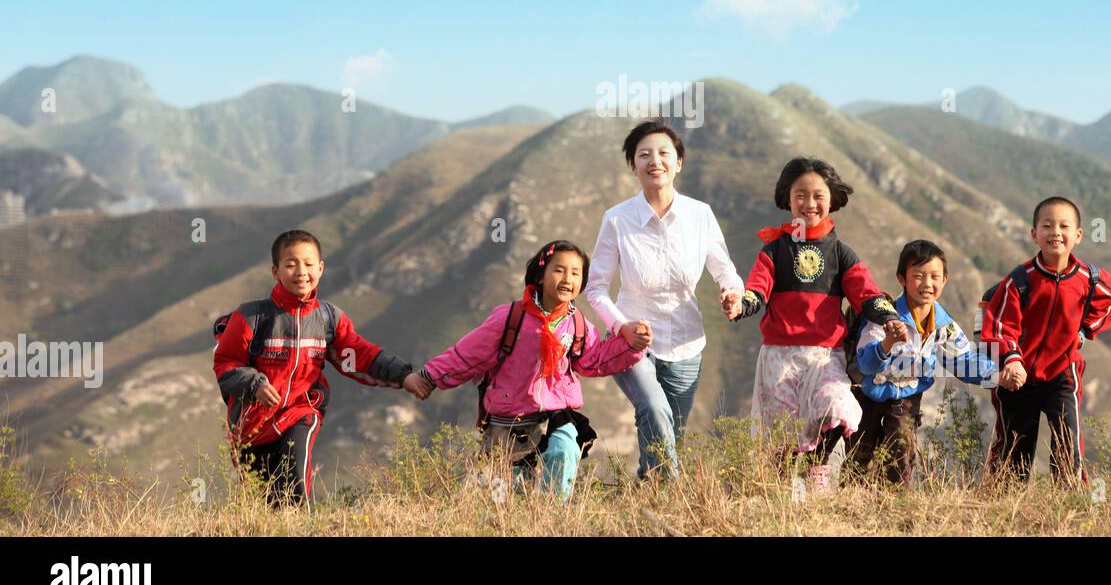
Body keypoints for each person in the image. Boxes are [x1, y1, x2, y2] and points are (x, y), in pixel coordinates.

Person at [213, 229, 428, 509]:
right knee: (262, 505)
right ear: (275, 272)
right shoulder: (251, 317)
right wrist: (254, 383)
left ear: (321, 268)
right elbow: (225, 363)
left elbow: (361, 355)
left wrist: (403, 375)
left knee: (295, 485)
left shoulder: (328, 319)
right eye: (290, 264)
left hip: (301, 413)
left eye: (309, 263)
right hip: (252, 425)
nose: (301, 272)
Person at [726, 156, 903, 492]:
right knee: (781, 436)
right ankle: (779, 503)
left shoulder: (842, 254)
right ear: (788, 199)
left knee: (839, 406)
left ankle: (816, 466)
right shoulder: (774, 249)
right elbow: (757, 291)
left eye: (818, 195)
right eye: (801, 195)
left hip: (825, 355)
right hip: (779, 357)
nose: (810, 203)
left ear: (832, 199)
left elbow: (867, 295)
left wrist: (889, 318)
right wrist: (740, 305)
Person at [420, 240, 646, 500]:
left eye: (575, 273)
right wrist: (428, 377)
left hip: (555, 417)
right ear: (540, 274)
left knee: (564, 450)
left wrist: (631, 345)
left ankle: (553, 516)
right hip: (508, 421)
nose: (567, 278)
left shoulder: (578, 326)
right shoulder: (510, 318)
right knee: (503, 496)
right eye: (559, 270)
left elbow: (593, 361)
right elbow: (466, 355)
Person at [586, 120, 745, 479]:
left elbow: (725, 269)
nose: (654, 161)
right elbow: (595, 287)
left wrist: (731, 292)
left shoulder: (699, 215)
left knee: (669, 434)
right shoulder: (617, 220)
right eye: (644, 155)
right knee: (655, 409)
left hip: (686, 343)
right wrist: (621, 327)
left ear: (678, 163)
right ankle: (674, 494)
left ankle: (650, 489)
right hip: (631, 341)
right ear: (633, 166)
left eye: (663, 153)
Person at [981, 196, 1111, 484]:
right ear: (1034, 234)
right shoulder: (1020, 280)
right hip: (1018, 376)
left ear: (1078, 236)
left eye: (1063, 226)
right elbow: (999, 324)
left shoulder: (1089, 279)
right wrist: (1011, 359)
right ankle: (1005, 502)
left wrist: (1084, 332)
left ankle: (1070, 500)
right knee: (1014, 446)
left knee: (1067, 438)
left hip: (1063, 371)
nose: (1055, 232)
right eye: (1047, 226)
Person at [848, 239, 995, 483]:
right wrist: (886, 344)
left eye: (935, 276)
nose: (927, 284)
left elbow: (963, 360)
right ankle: (850, 508)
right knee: (859, 456)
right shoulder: (883, 315)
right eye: (918, 275)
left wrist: (999, 372)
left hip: (907, 395)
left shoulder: (943, 325)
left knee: (901, 455)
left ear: (945, 280)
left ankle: (895, 507)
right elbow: (865, 363)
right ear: (902, 278)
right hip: (868, 393)